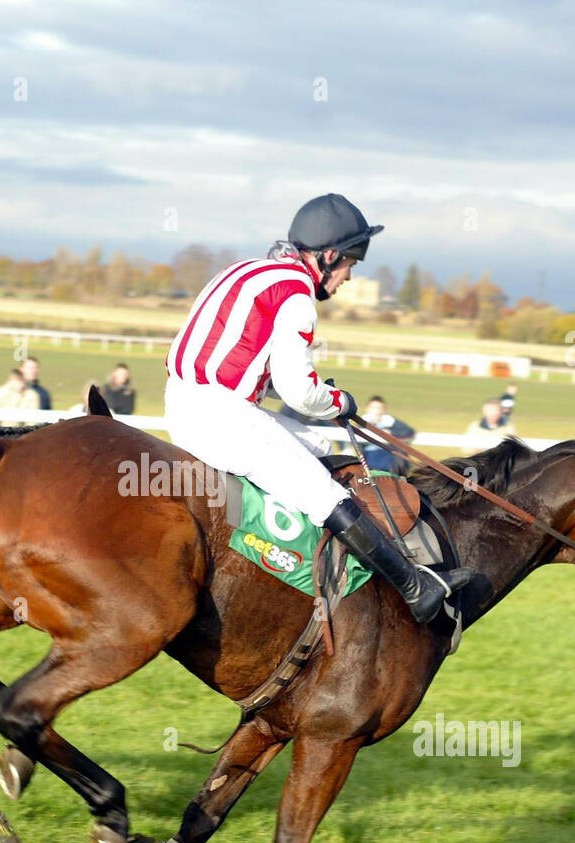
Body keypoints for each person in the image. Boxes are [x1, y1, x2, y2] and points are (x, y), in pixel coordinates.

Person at [162, 193, 472, 623]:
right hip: (222, 416)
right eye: (349, 263)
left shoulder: (245, 269)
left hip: (184, 400)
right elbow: (299, 392)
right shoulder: (296, 296)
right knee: (322, 493)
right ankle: (414, 586)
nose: (347, 276)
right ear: (328, 256)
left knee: (315, 441)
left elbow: (236, 360)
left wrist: (318, 405)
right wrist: (340, 401)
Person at [361, 396, 415, 475]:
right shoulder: (362, 423)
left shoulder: (391, 422)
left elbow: (409, 432)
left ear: (384, 410)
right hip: (369, 462)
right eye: (374, 408)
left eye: (379, 408)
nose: (377, 411)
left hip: (390, 461)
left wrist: (391, 433)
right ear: (368, 409)